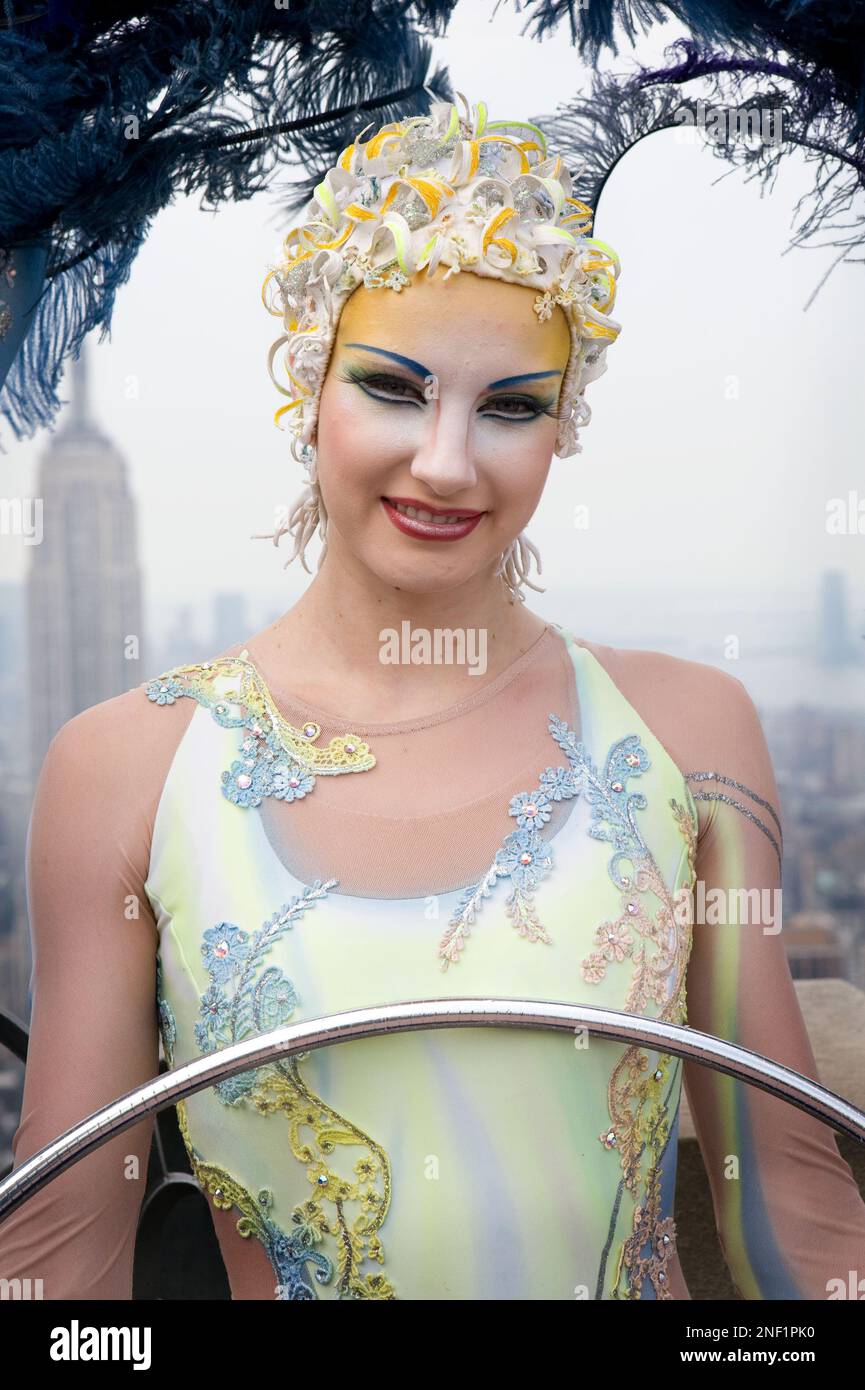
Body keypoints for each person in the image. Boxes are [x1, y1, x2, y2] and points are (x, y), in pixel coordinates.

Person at [2, 94, 864, 1301]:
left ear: (562, 427)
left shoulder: (690, 733)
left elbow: (789, 1206)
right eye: (394, 388)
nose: (448, 462)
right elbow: (59, 1271)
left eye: (510, 407)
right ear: (308, 385)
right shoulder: (127, 768)